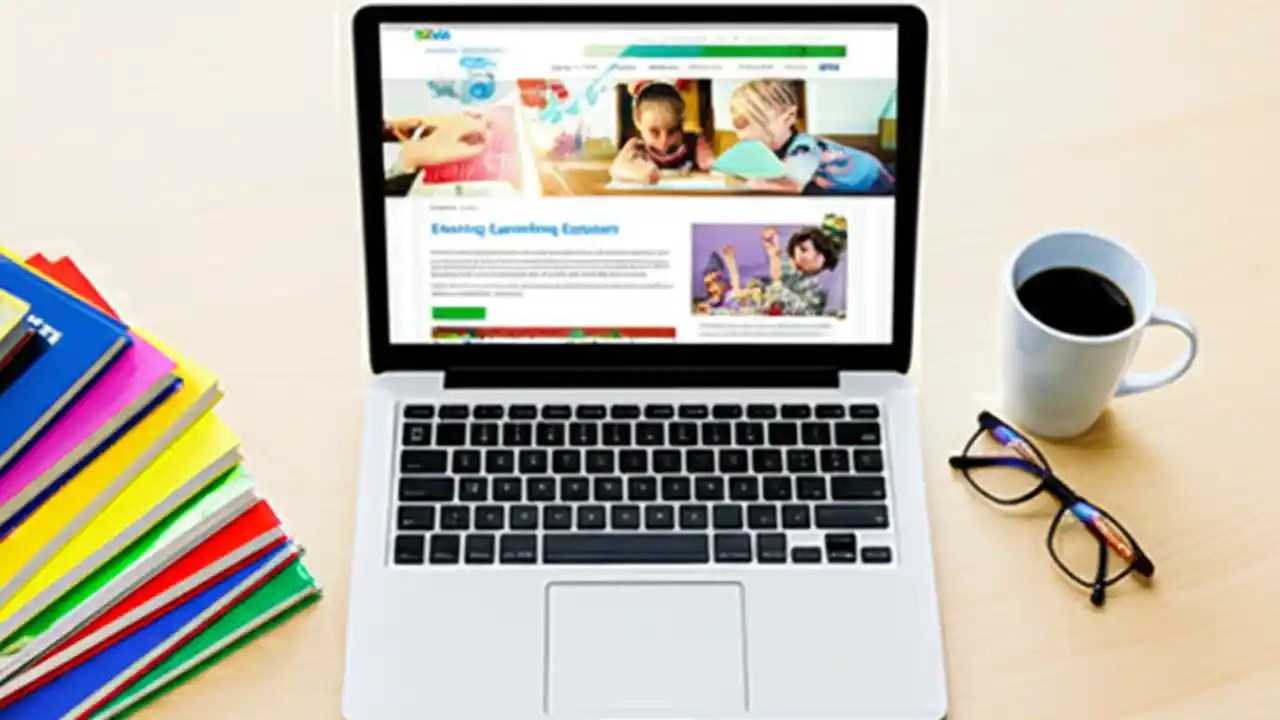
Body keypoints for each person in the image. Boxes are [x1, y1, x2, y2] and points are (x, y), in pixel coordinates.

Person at [729, 79, 895, 194]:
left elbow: (792, 186)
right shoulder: (774, 151)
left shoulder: (803, 146)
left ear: (788, 118)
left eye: (758, 120)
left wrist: (754, 183)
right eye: (739, 124)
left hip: (874, 178)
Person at [610, 82, 714, 184]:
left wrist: (709, 168)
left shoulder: (695, 144)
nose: (663, 142)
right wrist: (639, 173)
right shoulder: (636, 147)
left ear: (682, 123)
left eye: (672, 131)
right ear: (638, 120)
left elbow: (714, 167)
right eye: (654, 132)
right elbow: (615, 169)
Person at [762, 223, 845, 316]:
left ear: (822, 255)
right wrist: (774, 257)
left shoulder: (830, 282)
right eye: (794, 253)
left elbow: (805, 310)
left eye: (804, 249)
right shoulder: (799, 271)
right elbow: (779, 277)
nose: (797, 257)